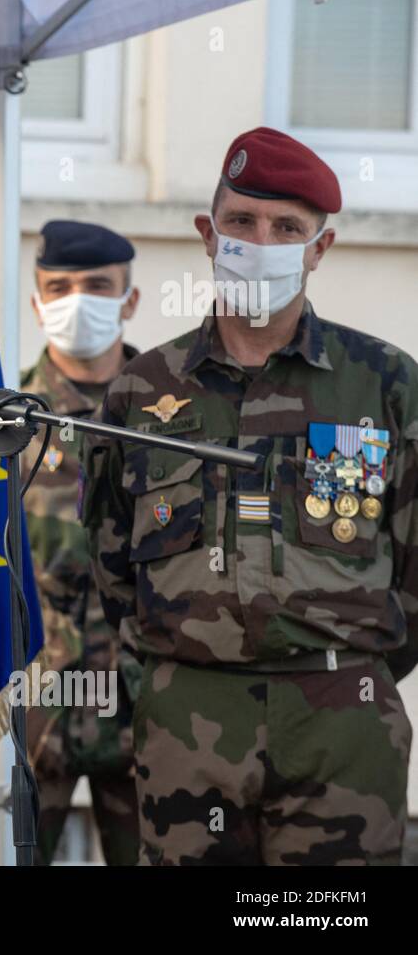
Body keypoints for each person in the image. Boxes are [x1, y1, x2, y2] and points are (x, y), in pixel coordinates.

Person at [81, 126, 415, 865]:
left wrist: (348, 665)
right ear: (208, 233)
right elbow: (111, 561)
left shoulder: (386, 385)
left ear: (318, 249)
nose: (260, 241)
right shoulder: (143, 391)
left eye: (286, 228)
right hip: (188, 721)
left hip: (342, 725)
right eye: (241, 221)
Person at [19, 220, 141, 865]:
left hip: (152, 712)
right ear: (38, 304)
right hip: (30, 711)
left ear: (130, 301)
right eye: (58, 287)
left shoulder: (176, 414)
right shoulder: (0, 426)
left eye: (97, 286)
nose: (76, 302)